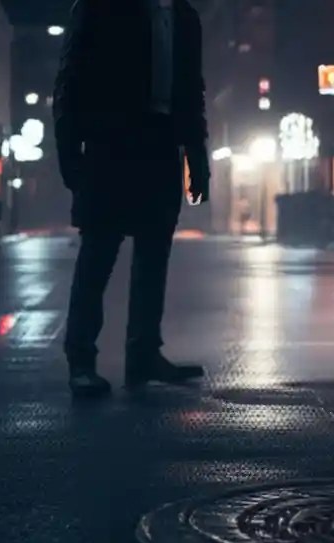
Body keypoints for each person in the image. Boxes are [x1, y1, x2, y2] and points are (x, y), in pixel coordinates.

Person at [53, 0, 211, 398]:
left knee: (153, 254)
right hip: (111, 143)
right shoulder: (100, 7)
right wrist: (70, 155)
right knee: (99, 253)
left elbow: (191, 90)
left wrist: (196, 158)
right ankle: (82, 361)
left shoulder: (183, 15)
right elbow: (70, 79)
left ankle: (143, 354)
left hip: (161, 144)